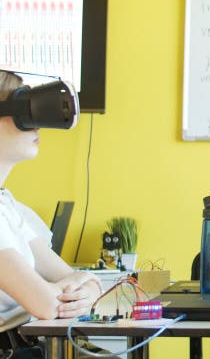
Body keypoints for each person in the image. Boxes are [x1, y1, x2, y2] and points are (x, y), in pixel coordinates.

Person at [0, 71, 103, 358]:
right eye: (26, 113)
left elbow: (73, 276)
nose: (38, 128)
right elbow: (45, 304)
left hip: (31, 345)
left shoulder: (6, 205)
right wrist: (69, 289)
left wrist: (89, 290)